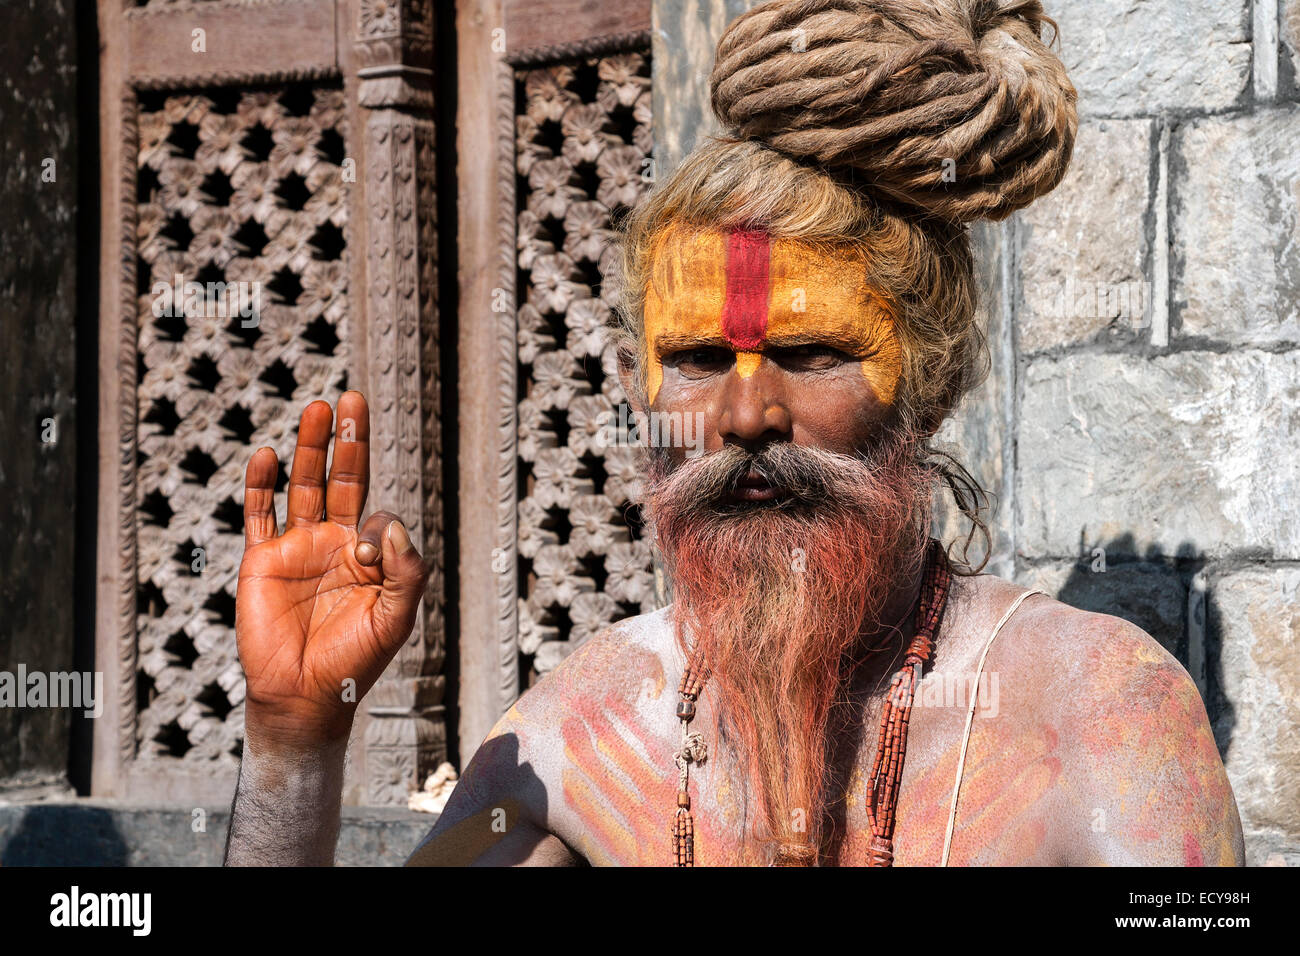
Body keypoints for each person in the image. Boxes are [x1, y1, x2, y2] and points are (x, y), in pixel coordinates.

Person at [224, 0, 1244, 866]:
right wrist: (293, 747)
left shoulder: (1098, 711)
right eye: (701, 359)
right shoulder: (576, 740)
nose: (747, 415)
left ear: (928, 383)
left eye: (810, 353)